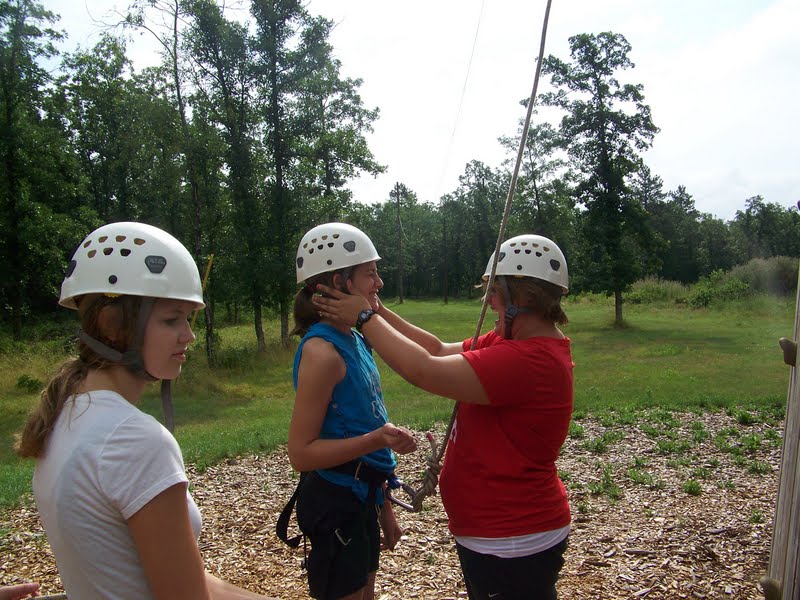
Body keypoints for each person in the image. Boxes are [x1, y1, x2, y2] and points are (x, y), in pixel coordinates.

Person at [15, 222, 276, 600]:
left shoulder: (65, 419)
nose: (188, 334)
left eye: (187, 317)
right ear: (113, 326)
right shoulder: (133, 439)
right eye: (171, 319)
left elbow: (163, 578)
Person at [313, 234, 573, 600]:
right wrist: (379, 310)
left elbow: (423, 370)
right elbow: (434, 349)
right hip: (502, 535)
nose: (490, 303)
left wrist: (364, 316)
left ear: (524, 298)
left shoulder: (529, 361)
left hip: (514, 540)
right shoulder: (509, 342)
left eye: (495, 294)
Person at [286, 222, 417, 600]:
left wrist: (384, 508)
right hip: (335, 502)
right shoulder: (322, 353)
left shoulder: (356, 339)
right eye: (370, 273)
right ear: (340, 281)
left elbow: (363, 422)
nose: (379, 283)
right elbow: (301, 453)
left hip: (362, 496)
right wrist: (377, 438)